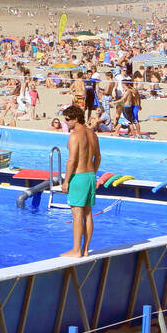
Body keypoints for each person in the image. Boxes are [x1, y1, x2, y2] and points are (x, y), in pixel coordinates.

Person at [60, 105, 100, 258]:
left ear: (76, 119)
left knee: (77, 215)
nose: (66, 122)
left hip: (79, 177)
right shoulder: (92, 134)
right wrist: (93, 173)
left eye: (68, 120)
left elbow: (71, 160)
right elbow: (98, 156)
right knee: (88, 214)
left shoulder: (75, 135)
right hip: (90, 176)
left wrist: (66, 181)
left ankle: (76, 250)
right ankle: (85, 249)